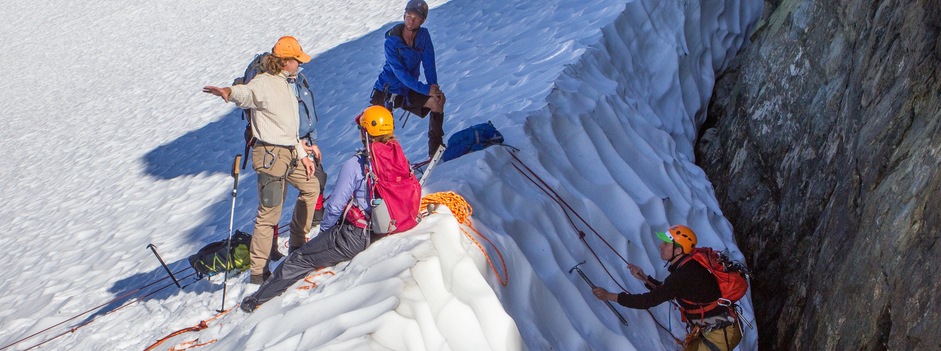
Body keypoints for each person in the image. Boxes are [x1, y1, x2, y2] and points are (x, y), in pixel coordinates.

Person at [240, 105, 408, 312]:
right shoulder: (398, 157)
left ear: (365, 132)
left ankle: (257, 300)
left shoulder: (356, 164)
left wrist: (326, 232)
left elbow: (336, 205)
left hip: (355, 236)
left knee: (299, 258)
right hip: (388, 225)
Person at [203, 36, 320, 284]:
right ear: (285, 61)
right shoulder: (264, 82)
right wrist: (228, 92)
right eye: (296, 61)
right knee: (269, 215)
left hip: (289, 152)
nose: (299, 65)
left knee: (311, 187)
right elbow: (247, 94)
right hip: (270, 156)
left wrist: (302, 154)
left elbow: (288, 127)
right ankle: (259, 272)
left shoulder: (287, 83)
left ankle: (297, 244)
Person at [592, 225, 743, 351]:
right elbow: (669, 290)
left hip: (720, 332)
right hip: (715, 328)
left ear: (678, 251)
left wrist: (609, 296)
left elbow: (647, 301)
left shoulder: (684, 274)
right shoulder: (688, 267)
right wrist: (645, 278)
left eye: (666, 243)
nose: (660, 245)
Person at [369, 0, 446, 160]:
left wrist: (434, 89)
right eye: (409, 16)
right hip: (385, 91)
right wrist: (425, 90)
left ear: (423, 20)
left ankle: (435, 152)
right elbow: (400, 73)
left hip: (407, 90)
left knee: (437, 102)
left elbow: (429, 64)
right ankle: (383, 165)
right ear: (404, 15)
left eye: (416, 18)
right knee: (382, 134)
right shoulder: (391, 41)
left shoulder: (423, 36)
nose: (411, 20)